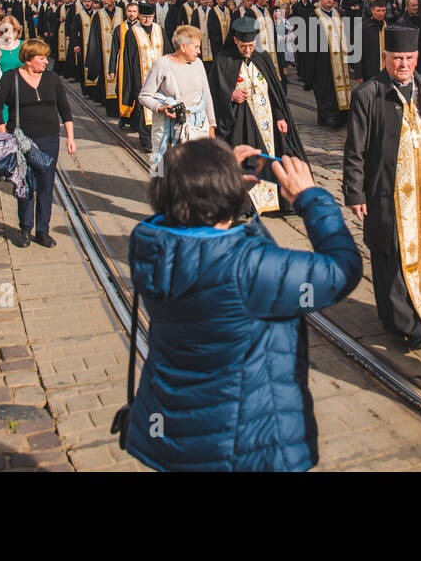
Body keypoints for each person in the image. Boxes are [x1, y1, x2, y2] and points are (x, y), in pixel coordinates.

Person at [124, 139, 362, 471]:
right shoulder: (247, 268)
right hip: (244, 445)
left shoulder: (150, 242)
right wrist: (312, 199)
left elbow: (210, 239)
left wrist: (218, 187)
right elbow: (341, 271)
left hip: (174, 431)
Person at [344, 26, 421, 351]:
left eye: (409, 58)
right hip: (388, 193)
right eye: (397, 59)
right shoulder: (368, 94)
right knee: (392, 257)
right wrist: (355, 193)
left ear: (417, 58)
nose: (403, 65)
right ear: (385, 59)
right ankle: (403, 323)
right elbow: (355, 150)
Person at [212, 17, 308, 215]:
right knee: (247, 161)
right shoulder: (223, 60)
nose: (248, 50)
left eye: (251, 45)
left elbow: (275, 92)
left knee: (272, 156)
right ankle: (247, 205)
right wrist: (230, 94)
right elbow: (214, 90)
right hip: (240, 124)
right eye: (244, 46)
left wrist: (281, 116)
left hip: (268, 122)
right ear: (235, 41)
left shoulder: (261, 57)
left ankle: (276, 202)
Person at [0, 39, 75, 249]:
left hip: (50, 139)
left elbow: (64, 109)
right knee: (25, 185)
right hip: (22, 141)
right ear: (28, 60)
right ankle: (25, 229)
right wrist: (4, 135)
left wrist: (70, 137)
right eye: (41, 58)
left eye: (46, 57)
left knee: (46, 185)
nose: (46, 61)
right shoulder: (11, 78)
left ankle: (42, 231)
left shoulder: (52, 78)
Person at [138, 24, 216, 179]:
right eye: (196, 47)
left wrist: (212, 126)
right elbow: (144, 96)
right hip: (169, 129)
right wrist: (160, 108)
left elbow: (206, 95)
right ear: (183, 47)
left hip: (196, 127)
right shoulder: (162, 64)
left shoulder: (198, 64)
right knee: (167, 172)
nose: (199, 51)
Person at [115, 2, 167, 151]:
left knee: (159, 106)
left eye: (150, 17)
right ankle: (146, 140)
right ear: (139, 16)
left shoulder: (159, 30)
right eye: (144, 17)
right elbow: (128, 58)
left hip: (160, 78)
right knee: (142, 108)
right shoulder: (132, 32)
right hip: (140, 77)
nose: (147, 20)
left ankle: (158, 137)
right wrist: (130, 79)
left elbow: (168, 52)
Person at [298, 0, 352, 128]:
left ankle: (342, 116)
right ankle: (329, 117)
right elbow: (309, 45)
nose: (329, 0)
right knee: (325, 89)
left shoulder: (338, 14)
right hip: (322, 61)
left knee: (340, 90)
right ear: (320, 0)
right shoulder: (312, 17)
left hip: (340, 60)